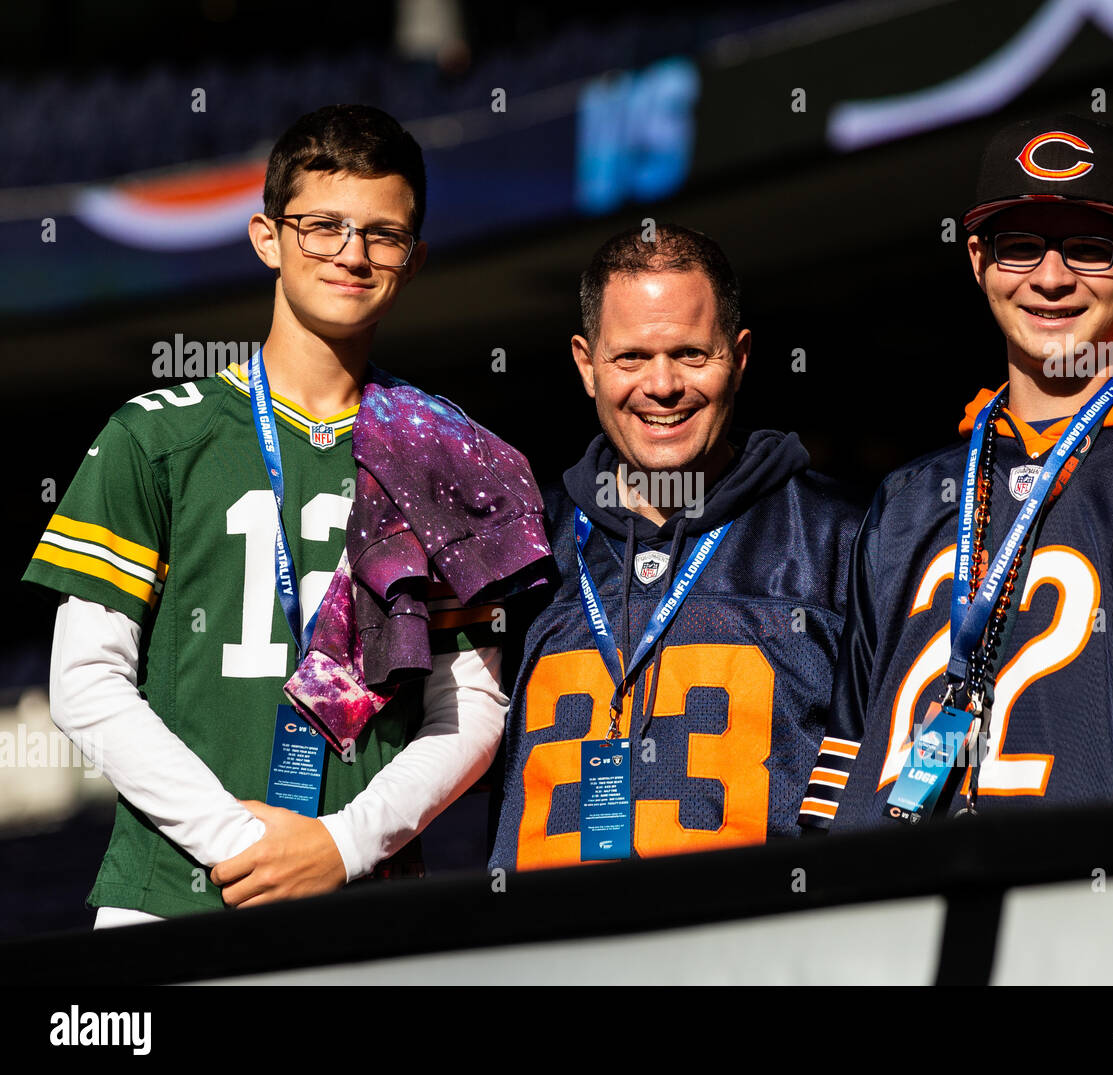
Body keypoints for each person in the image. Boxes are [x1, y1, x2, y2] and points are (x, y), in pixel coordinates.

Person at [23, 105, 519, 924]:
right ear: (267, 238)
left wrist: (341, 845)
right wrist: (239, 840)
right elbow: (84, 683)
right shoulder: (154, 436)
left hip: (365, 901)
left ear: (416, 258)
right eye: (323, 226)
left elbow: (468, 707)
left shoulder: (453, 455)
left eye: (382, 235)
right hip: (172, 903)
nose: (352, 255)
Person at [800, 115, 1113, 832]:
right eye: (1021, 247)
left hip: (1091, 931)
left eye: (1090, 249)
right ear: (977, 260)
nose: (1051, 277)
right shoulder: (908, 499)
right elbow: (834, 793)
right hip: (886, 929)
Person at [489, 223, 864, 870]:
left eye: (692, 354)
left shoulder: (843, 539)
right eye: (630, 357)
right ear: (586, 364)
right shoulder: (524, 547)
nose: (662, 386)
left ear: (741, 357)